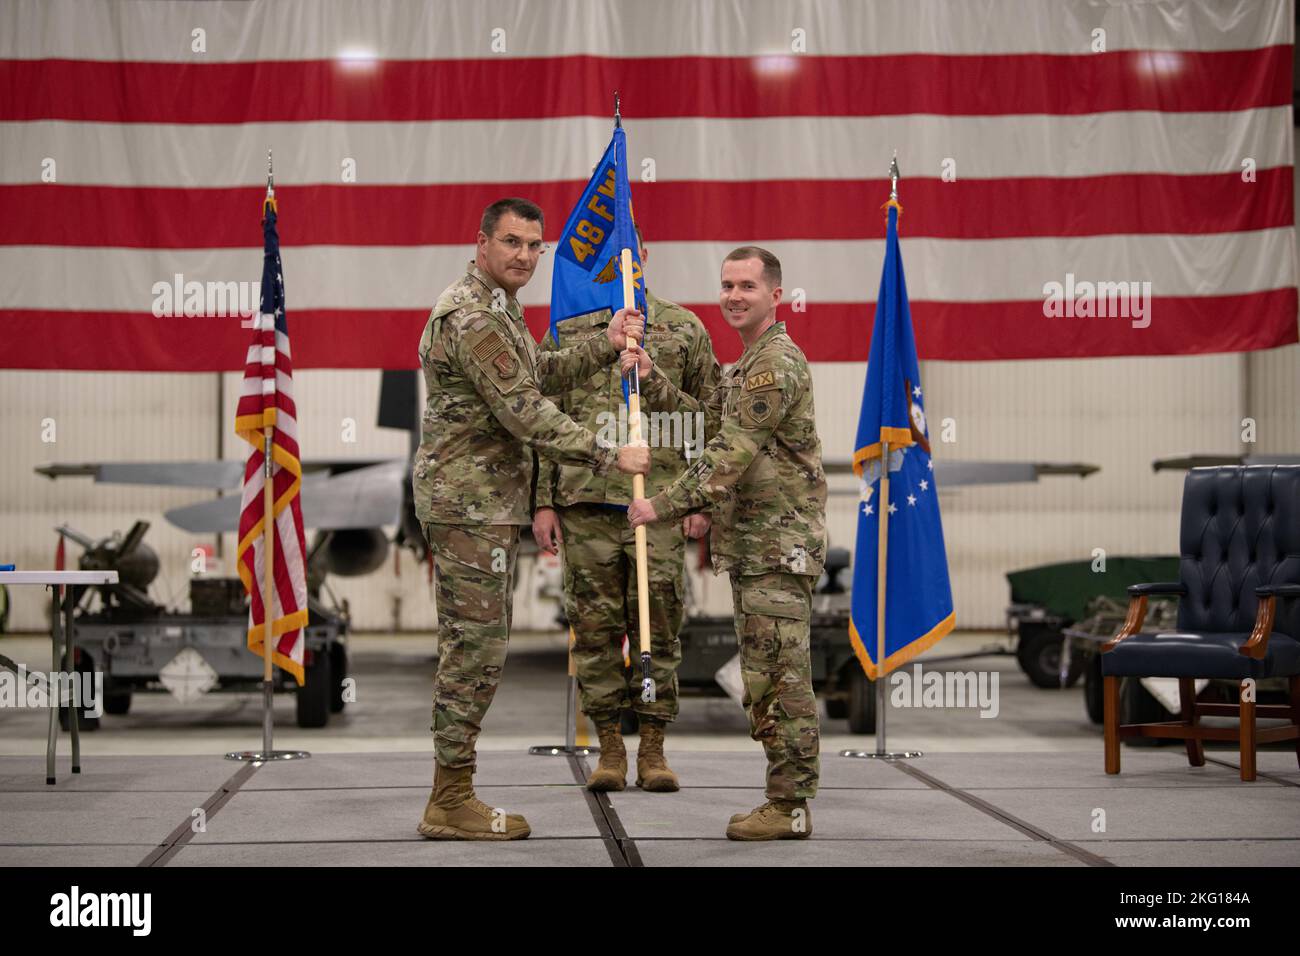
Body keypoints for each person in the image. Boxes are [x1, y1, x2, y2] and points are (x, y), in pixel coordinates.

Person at [413, 197, 649, 840]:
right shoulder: (472, 316)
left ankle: (451, 791)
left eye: (533, 246)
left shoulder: (497, 307)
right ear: (482, 242)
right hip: (469, 506)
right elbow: (526, 412)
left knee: (477, 649)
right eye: (512, 242)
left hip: (483, 505)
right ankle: (450, 798)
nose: (524, 255)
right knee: (473, 653)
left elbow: (535, 374)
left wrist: (602, 345)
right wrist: (610, 453)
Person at [628, 246, 827, 840]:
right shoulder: (745, 365)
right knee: (764, 676)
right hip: (754, 547)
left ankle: (790, 804)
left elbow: (728, 454)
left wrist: (659, 506)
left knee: (781, 677)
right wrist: (651, 380)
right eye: (726, 285)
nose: (734, 295)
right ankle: (783, 799)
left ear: (776, 296)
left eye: (747, 285)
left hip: (777, 546)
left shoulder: (774, 366)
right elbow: (704, 419)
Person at [533, 228, 721, 793]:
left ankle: (654, 749)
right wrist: (543, 501)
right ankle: (610, 748)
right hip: (586, 502)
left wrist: (698, 499)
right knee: (593, 630)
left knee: (658, 626)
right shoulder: (570, 331)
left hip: (657, 504)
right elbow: (540, 418)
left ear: (645, 258)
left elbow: (708, 421)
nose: (623, 265)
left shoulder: (685, 329)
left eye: (631, 255)